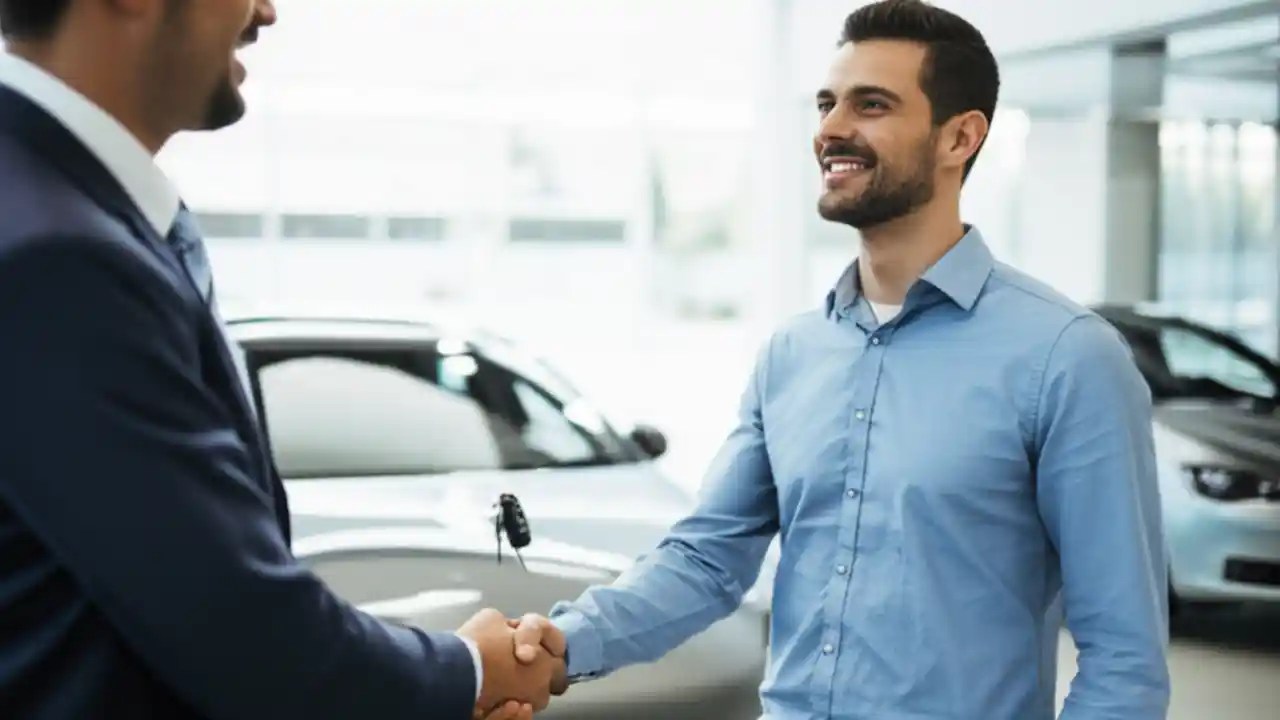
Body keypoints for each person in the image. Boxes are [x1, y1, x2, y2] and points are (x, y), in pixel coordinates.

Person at [523, 1, 1172, 718]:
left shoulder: (1068, 358)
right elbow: (705, 561)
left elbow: (1124, 663)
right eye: (827, 103)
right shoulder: (792, 354)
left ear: (960, 136)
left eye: (871, 105)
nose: (831, 129)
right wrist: (558, 644)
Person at [0, 2, 564, 719]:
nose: (266, 9)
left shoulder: (58, 208)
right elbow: (239, 630)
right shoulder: (57, 257)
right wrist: (469, 672)